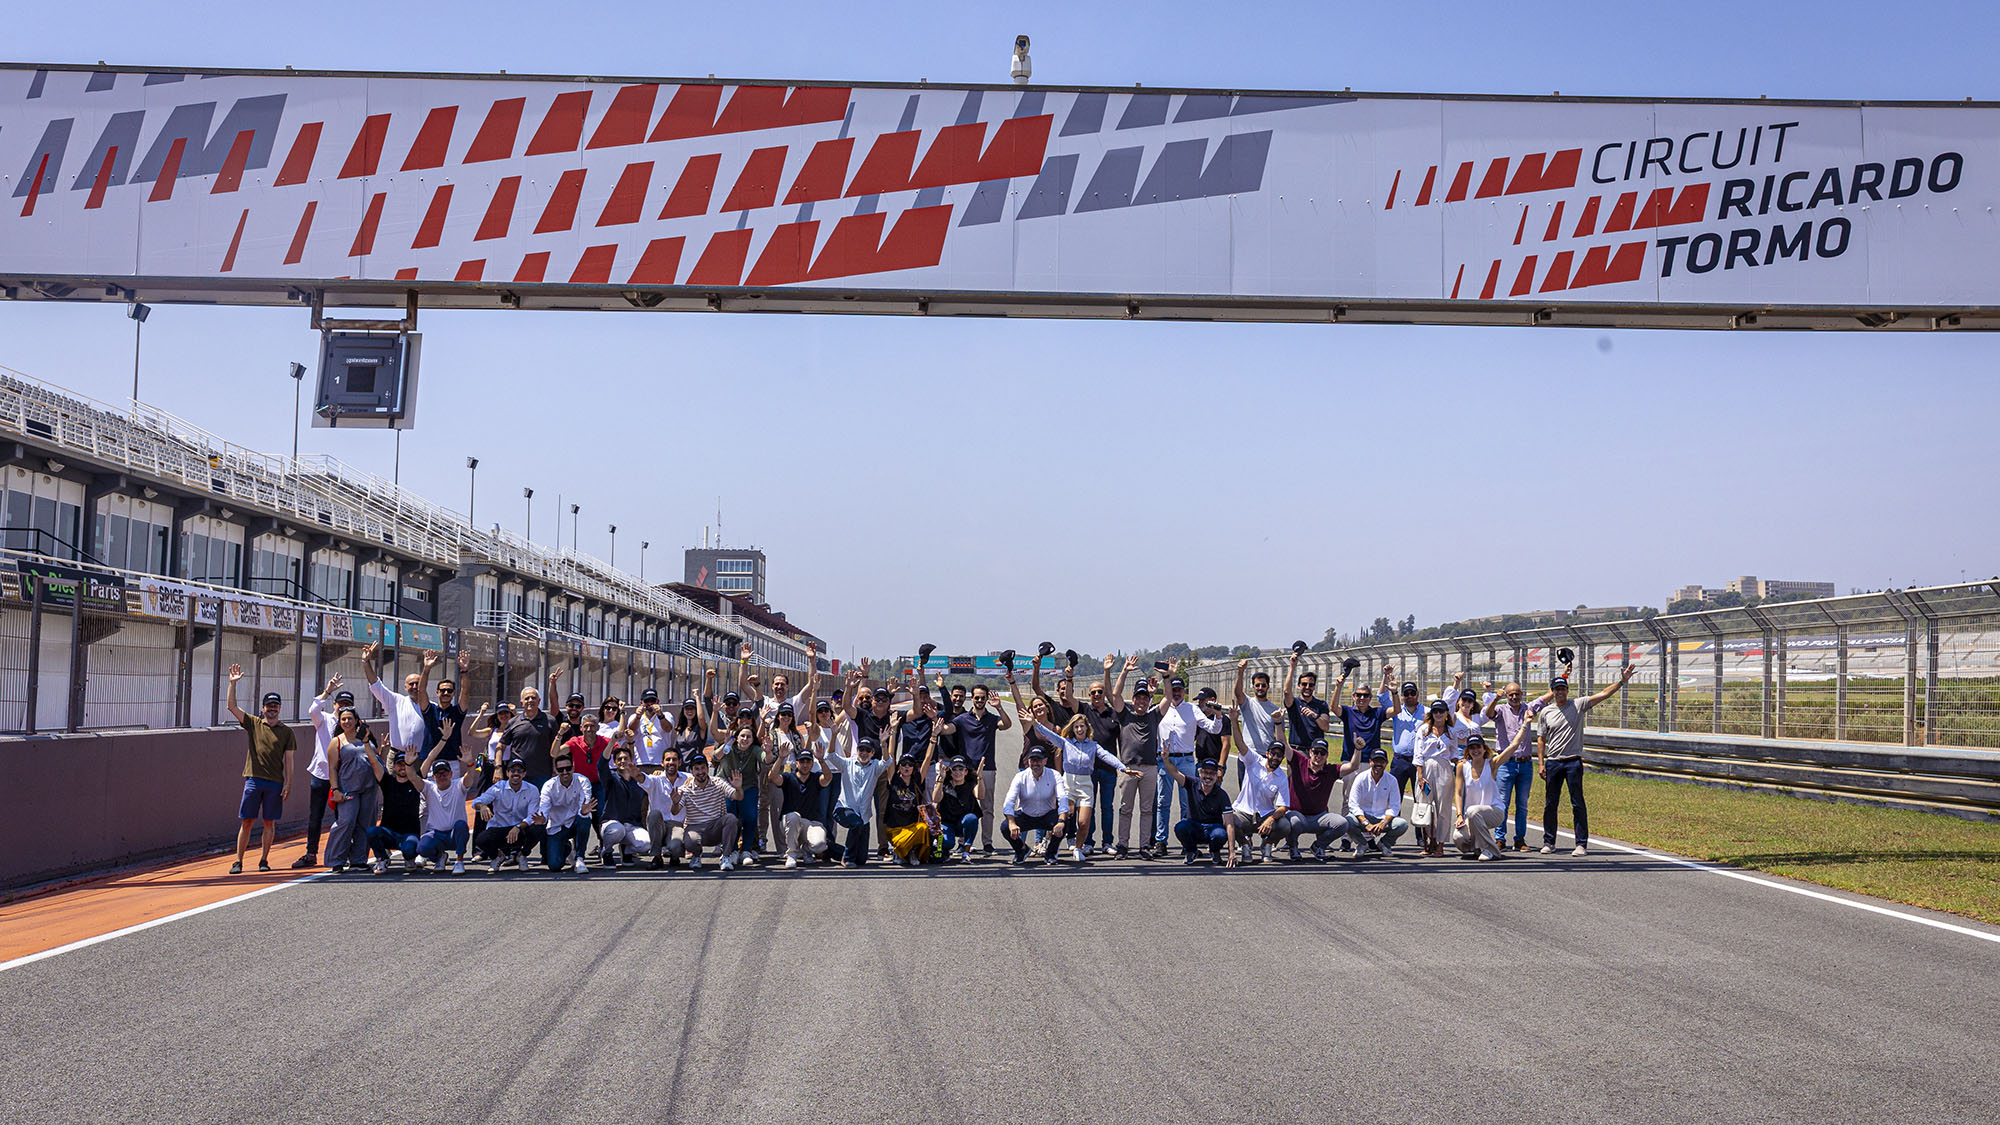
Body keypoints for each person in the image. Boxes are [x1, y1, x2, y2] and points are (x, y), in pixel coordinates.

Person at [1538, 663, 1637, 857]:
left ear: (1567, 690)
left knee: (1577, 803)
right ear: (1553, 691)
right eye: (1557, 689)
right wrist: (1541, 763)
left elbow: (1603, 694)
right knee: (1550, 803)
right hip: (1553, 762)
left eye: (1563, 689)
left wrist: (1621, 681)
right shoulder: (1546, 712)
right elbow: (1541, 739)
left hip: (1573, 761)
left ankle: (1581, 843)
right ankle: (1549, 842)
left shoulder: (1578, 704)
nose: (1560, 692)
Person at [224, 667, 292, 874]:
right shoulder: (253, 723)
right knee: (247, 821)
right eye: (269, 706)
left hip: (275, 782)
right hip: (254, 779)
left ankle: (264, 859)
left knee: (269, 822)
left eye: (275, 706)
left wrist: (288, 783)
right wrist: (233, 683)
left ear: (279, 708)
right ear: (263, 708)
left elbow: (289, 760)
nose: (272, 709)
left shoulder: (286, 732)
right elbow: (231, 707)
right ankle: (238, 861)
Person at [1105, 655, 1163, 859]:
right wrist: (1124, 671)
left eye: (1145, 697)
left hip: (1149, 768)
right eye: (1138, 697)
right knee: (1125, 809)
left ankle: (1145, 846)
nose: (1141, 701)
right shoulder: (1124, 714)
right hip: (1128, 767)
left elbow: (1168, 700)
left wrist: (1167, 676)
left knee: (1147, 810)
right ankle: (1122, 845)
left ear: (1149, 700)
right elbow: (1114, 694)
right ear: (1133, 699)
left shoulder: (1154, 715)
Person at [946, 679, 1010, 855]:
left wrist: (999, 707)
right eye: (977, 698)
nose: (980, 701)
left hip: (987, 768)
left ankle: (987, 843)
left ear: (986, 699)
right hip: (965, 770)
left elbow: (1006, 725)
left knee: (987, 807)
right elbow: (947, 729)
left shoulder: (992, 718)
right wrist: (936, 725)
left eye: (983, 698)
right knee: (963, 806)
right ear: (971, 698)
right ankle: (963, 843)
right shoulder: (962, 719)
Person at [1486, 681, 1551, 851]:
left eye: (1517, 694)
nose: (1514, 697)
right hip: (1505, 763)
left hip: (1525, 763)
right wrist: (1495, 698)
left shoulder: (1528, 708)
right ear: (1506, 696)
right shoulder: (1501, 710)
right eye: (1511, 694)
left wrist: (1565, 675)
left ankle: (1520, 839)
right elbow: (1489, 713)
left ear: (1521, 694)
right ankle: (1500, 838)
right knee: (1503, 803)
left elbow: (1547, 697)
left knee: (1522, 804)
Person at [294, 675, 350, 869]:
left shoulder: (352, 725)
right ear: (334, 704)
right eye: (340, 703)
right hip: (320, 775)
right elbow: (313, 709)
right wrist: (327, 691)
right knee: (315, 816)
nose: (343, 707)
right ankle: (311, 853)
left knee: (342, 817)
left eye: (347, 705)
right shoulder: (323, 719)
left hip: (342, 777)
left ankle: (342, 853)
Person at [323, 706, 385, 873]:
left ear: (357, 721)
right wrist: (335, 789)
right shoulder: (337, 741)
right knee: (346, 822)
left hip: (369, 788)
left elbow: (374, 758)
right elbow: (333, 768)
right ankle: (336, 860)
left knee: (366, 823)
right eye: (343, 719)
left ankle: (358, 860)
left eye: (350, 718)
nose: (346, 722)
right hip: (347, 789)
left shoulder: (366, 738)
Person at [361, 642, 435, 769]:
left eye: (418, 683)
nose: (415, 687)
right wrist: (366, 662)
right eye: (411, 684)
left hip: (420, 758)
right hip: (396, 756)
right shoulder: (395, 701)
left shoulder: (433, 707)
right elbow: (376, 685)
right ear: (405, 687)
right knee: (392, 788)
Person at [824, 728, 888, 868]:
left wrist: (883, 744)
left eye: (867, 750)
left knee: (861, 859)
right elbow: (830, 755)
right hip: (843, 809)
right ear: (857, 750)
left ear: (872, 753)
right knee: (856, 823)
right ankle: (846, 859)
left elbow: (887, 762)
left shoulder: (875, 767)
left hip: (863, 815)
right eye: (861, 749)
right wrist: (834, 734)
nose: (863, 753)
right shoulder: (847, 763)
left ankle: (827, 848)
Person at [1282, 737, 1354, 861]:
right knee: (1294, 822)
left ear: (1327, 755)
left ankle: (1318, 846)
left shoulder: (1331, 770)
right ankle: (1293, 846)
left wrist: (1358, 749)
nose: (1318, 756)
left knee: (1342, 823)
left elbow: (1353, 766)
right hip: (1298, 816)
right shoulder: (1299, 761)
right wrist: (1278, 722)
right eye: (1316, 752)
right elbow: (1284, 744)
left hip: (1319, 817)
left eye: (1322, 753)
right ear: (1310, 752)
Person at [1226, 736, 1293, 867]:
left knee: (1285, 825)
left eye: (1279, 755)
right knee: (1228, 820)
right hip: (1244, 812)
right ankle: (1245, 844)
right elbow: (1240, 743)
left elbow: (1283, 806)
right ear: (1267, 753)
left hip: (1264, 815)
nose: (1275, 757)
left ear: (1282, 758)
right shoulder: (1254, 761)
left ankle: (1267, 845)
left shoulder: (1282, 778)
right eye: (1273, 753)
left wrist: (1271, 819)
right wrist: (1234, 720)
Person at [1153, 673, 1201, 855]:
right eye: (1173, 690)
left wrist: (1219, 718)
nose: (1176, 693)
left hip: (1186, 759)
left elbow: (1212, 727)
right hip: (1165, 759)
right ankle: (1160, 841)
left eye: (1179, 690)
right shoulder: (1161, 708)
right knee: (1163, 802)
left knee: (1187, 802)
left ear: (1184, 691)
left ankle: (1186, 841)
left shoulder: (1192, 709)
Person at [472, 758, 545, 874]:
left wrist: (518, 827)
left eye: (519, 771)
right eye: (512, 770)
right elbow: (477, 801)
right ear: (507, 773)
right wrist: (482, 806)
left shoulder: (532, 790)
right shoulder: (498, 787)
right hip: (499, 830)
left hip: (520, 831)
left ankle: (522, 855)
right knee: (481, 839)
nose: (516, 773)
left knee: (539, 828)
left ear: (524, 774)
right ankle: (497, 856)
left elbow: (532, 816)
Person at [769, 735, 831, 869]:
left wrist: (821, 760)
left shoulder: (815, 778)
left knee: (820, 845)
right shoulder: (788, 778)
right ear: (796, 763)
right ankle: (792, 854)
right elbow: (773, 777)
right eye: (802, 761)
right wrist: (780, 758)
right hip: (790, 821)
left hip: (811, 822)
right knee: (793, 816)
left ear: (812, 764)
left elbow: (828, 778)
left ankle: (806, 851)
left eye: (808, 762)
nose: (805, 765)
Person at [1000, 745, 1070, 866]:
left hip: (1047, 815)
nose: (1035, 763)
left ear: (1045, 761)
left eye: (1038, 760)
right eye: (1032, 760)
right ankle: (1022, 850)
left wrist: (1061, 821)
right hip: (1026, 815)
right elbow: (1009, 801)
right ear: (1028, 761)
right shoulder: (1020, 777)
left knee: (1066, 822)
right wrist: (1012, 823)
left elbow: (1062, 798)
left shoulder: (1055, 775)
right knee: (1005, 827)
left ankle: (1051, 853)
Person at [410, 741, 473, 875]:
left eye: (444, 773)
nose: (442, 777)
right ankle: (439, 858)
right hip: (436, 833)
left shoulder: (458, 786)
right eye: (438, 774)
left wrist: (470, 764)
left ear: (451, 774)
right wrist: (409, 764)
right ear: (433, 777)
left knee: (462, 826)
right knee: (422, 848)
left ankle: (459, 861)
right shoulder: (429, 787)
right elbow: (413, 778)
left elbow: (469, 778)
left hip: (453, 835)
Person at [711, 718, 766, 866]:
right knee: (731, 817)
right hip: (727, 785)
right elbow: (715, 757)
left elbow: (766, 759)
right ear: (737, 737)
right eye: (742, 736)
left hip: (748, 786)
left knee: (750, 816)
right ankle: (733, 850)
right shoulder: (729, 746)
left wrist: (767, 751)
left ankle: (746, 850)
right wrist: (726, 743)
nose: (745, 739)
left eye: (749, 736)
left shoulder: (754, 750)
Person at [676, 750, 742, 871]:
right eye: (697, 769)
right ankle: (696, 855)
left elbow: (738, 797)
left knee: (731, 819)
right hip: (695, 827)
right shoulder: (685, 789)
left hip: (715, 827)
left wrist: (738, 788)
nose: (700, 772)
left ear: (707, 769)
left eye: (703, 768)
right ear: (692, 771)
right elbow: (675, 811)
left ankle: (726, 856)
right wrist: (675, 802)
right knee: (691, 840)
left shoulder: (718, 782)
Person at [1161, 755, 1232, 865]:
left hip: (1213, 827)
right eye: (1205, 773)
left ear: (1217, 775)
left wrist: (1231, 853)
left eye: (1212, 773)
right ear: (1200, 773)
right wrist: (1165, 759)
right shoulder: (1191, 784)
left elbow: (1230, 824)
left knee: (1220, 834)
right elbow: (1174, 772)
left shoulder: (1222, 795)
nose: (1208, 776)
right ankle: (1191, 850)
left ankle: (1214, 851)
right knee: (1181, 827)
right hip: (1194, 825)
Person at [363, 747, 423, 876]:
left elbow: (430, 758)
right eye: (399, 765)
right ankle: (382, 859)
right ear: (394, 767)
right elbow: (374, 761)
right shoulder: (387, 782)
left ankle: (409, 859)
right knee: (372, 832)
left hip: (409, 835)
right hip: (389, 833)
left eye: (405, 764)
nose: (402, 768)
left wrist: (444, 739)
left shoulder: (416, 782)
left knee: (409, 849)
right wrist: (366, 742)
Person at [1412, 700, 1459, 857]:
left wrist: (1460, 766)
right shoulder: (1424, 730)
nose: (1438, 714)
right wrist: (1420, 775)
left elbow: (1454, 754)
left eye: (1441, 711)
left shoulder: (1451, 732)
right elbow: (1418, 754)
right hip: (1426, 768)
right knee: (1424, 806)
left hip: (1444, 769)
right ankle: (1428, 841)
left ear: (1446, 713)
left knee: (1443, 808)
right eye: (1435, 711)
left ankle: (1440, 844)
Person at [537, 752, 596, 875]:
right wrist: (542, 819)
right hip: (557, 827)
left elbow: (584, 805)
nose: (565, 772)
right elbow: (544, 809)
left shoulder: (582, 781)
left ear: (573, 767)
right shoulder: (549, 786)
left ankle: (580, 858)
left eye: (568, 768)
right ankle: (567, 848)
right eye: (560, 769)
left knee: (585, 818)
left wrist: (583, 811)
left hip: (575, 822)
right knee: (554, 866)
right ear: (555, 770)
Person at [1344, 749, 1409, 859]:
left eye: (1381, 761)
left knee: (1402, 824)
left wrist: (1383, 823)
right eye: (1375, 761)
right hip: (1364, 817)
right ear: (1370, 762)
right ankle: (1362, 844)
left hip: (1382, 818)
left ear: (1386, 763)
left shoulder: (1392, 780)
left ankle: (1385, 844)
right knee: (1347, 821)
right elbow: (1353, 804)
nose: (1378, 764)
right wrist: (1365, 823)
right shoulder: (1360, 778)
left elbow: (1395, 806)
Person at [1451, 734, 1506, 861]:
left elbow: (1513, 747)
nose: (1475, 751)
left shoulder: (1492, 764)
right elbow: (1458, 792)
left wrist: (1525, 725)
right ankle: (1478, 848)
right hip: (1471, 815)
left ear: (1484, 749)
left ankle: (1489, 850)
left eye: (1478, 747)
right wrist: (1459, 815)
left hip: (1494, 811)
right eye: (1472, 748)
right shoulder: (1462, 766)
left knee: (1473, 811)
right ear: (1468, 751)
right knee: (1459, 839)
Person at [595, 745, 652, 867]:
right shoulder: (610, 778)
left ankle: (627, 851)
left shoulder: (638, 781)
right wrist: (613, 741)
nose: (623, 761)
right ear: (614, 763)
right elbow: (601, 764)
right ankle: (607, 851)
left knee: (646, 844)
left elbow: (655, 784)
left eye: (626, 758)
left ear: (631, 761)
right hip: (611, 822)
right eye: (619, 759)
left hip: (631, 825)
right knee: (617, 830)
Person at [498, 677, 561, 788]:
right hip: (518, 775)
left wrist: (555, 770)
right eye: (527, 698)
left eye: (533, 698)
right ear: (521, 703)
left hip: (543, 775)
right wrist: (497, 768)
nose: (530, 700)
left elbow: (555, 748)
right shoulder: (513, 722)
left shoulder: (550, 721)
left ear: (539, 701)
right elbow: (501, 745)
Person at [881, 751, 937, 867]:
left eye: (910, 764)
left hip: (911, 827)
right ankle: (898, 852)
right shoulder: (894, 779)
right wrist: (885, 743)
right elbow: (890, 755)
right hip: (895, 829)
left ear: (914, 768)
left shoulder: (916, 781)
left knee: (923, 828)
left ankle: (912, 852)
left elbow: (927, 759)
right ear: (899, 766)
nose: (907, 767)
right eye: (903, 763)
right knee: (901, 843)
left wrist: (934, 738)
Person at [420, 651, 471, 778]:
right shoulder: (430, 710)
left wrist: (464, 671)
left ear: (453, 693)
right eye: (443, 690)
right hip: (431, 761)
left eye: (449, 690)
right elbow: (421, 690)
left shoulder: (457, 712)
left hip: (452, 761)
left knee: (453, 797)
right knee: (429, 797)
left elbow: (465, 691)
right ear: (437, 692)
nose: (446, 693)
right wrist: (426, 669)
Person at [641, 747, 690, 869]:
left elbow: (702, 780)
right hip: (659, 825)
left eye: (674, 759)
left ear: (679, 762)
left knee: (676, 848)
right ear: (662, 763)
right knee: (653, 814)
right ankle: (657, 857)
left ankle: (675, 856)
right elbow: (641, 778)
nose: (671, 762)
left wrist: (693, 780)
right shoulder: (655, 779)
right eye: (668, 759)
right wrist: (632, 771)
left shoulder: (688, 778)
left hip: (677, 825)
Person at [932, 756, 983, 862]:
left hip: (962, 823)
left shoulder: (971, 783)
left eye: (961, 769)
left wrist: (979, 777)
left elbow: (980, 795)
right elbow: (935, 799)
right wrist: (940, 779)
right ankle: (943, 850)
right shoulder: (944, 784)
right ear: (950, 772)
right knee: (946, 843)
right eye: (954, 769)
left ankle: (966, 851)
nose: (957, 772)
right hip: (946, 823)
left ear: (965, 771)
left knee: (971, 818)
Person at [1385, 672, 1426, 797]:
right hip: (1400, 760)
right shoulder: (1397, 711)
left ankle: (1419, 817)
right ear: (1402, 695)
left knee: (1420, 796)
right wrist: (1387, 680)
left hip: (1419, 761)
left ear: (1417, 694)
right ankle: (1392, 817)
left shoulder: (1427, 712)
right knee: (1394, 796)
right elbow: (1382, 698)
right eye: (1406, 694)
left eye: (1412, 693)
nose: (1410, 696)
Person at [630, 687, 672, 767]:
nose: (649, 704)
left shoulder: (666, 715)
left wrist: (660, 715)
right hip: (640, 763)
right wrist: (638, 716)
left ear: (658, 702)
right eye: (646, 701)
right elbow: (632, 729)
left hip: (660, 763)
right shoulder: (634, 717)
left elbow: (668, 729)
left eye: (652, 701)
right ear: (641, 703)